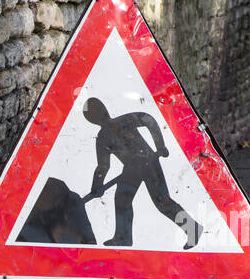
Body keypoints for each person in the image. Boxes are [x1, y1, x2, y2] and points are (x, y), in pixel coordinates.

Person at [83, 97, 200, 248]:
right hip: (132, 169)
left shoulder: (119, 124)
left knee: (162, 201)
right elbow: (103, 166)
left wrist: (160, 145)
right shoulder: (106, 134)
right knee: (122, 200)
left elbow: (148, 120)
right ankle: (123, 238)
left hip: (148, 161)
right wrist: (96, 186)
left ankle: (193, 229)